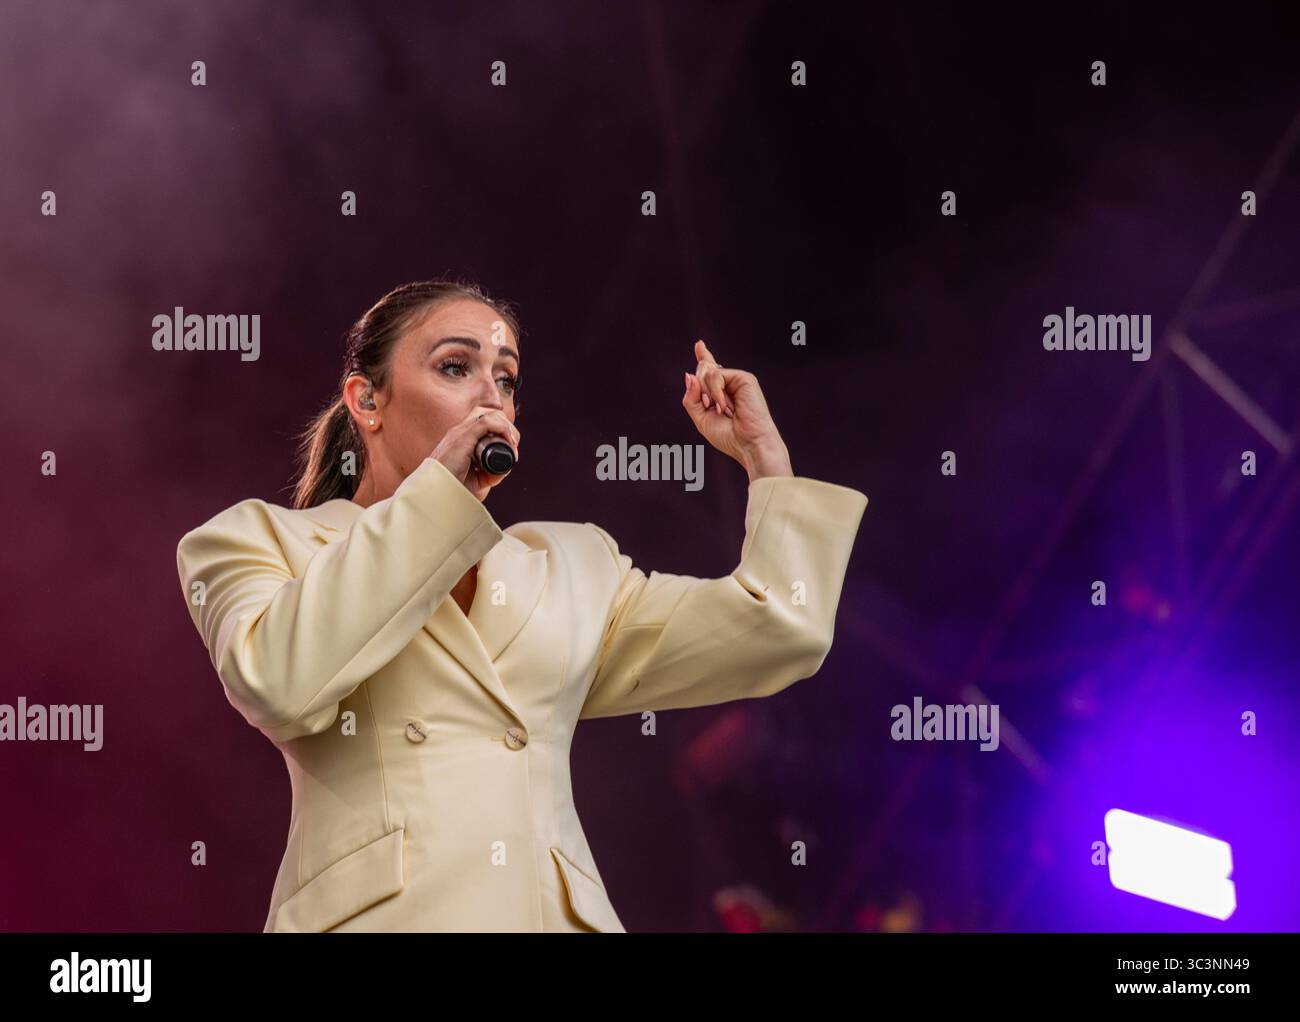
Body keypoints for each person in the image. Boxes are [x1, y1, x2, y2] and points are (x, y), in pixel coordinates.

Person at [174, 278, 869, 932]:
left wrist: (764, 462)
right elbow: (278, 683)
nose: (491, 395)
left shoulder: (571, 566)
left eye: (505, 377)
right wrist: (440, 503)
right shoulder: (263, 541)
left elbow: (781, 630)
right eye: (455, 367)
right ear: (366, 401)